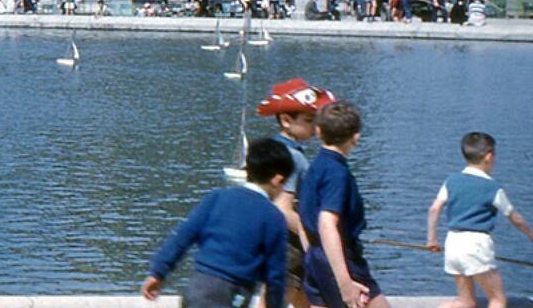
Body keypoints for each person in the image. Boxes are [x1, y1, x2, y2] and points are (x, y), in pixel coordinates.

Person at [141, 137, 293, 308]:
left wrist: (158, 273)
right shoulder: (273, 216)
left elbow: (182, 237)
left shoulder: (217, 197)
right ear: (278, 180)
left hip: (196, 287)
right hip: (231, 294)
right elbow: (276, 273)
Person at [426, 132, 533, 308]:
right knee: (497, 299)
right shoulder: (492, 187)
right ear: (489, 156)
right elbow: (516, 219)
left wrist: (432, 240)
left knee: (465, 302)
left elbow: (434, 208)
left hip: (453, 243)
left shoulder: (452, 180)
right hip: (476, 245)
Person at [300, 101, 390, 308]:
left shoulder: (314, 168)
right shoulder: (337, 173)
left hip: (315, 256)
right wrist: (345, 283)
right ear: (356, 138)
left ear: (318, 131)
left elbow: (304, 217)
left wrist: (312, 258)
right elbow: (327, 223)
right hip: (342, 260)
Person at [258, 79, 338, 308]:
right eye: (308, 120)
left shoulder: (270, 149)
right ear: (285, 120)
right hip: (288, 243)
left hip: (267, 237)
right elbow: (283, 209)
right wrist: (315, 234)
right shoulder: (293, 157)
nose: (315, 126)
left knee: (302, 295)